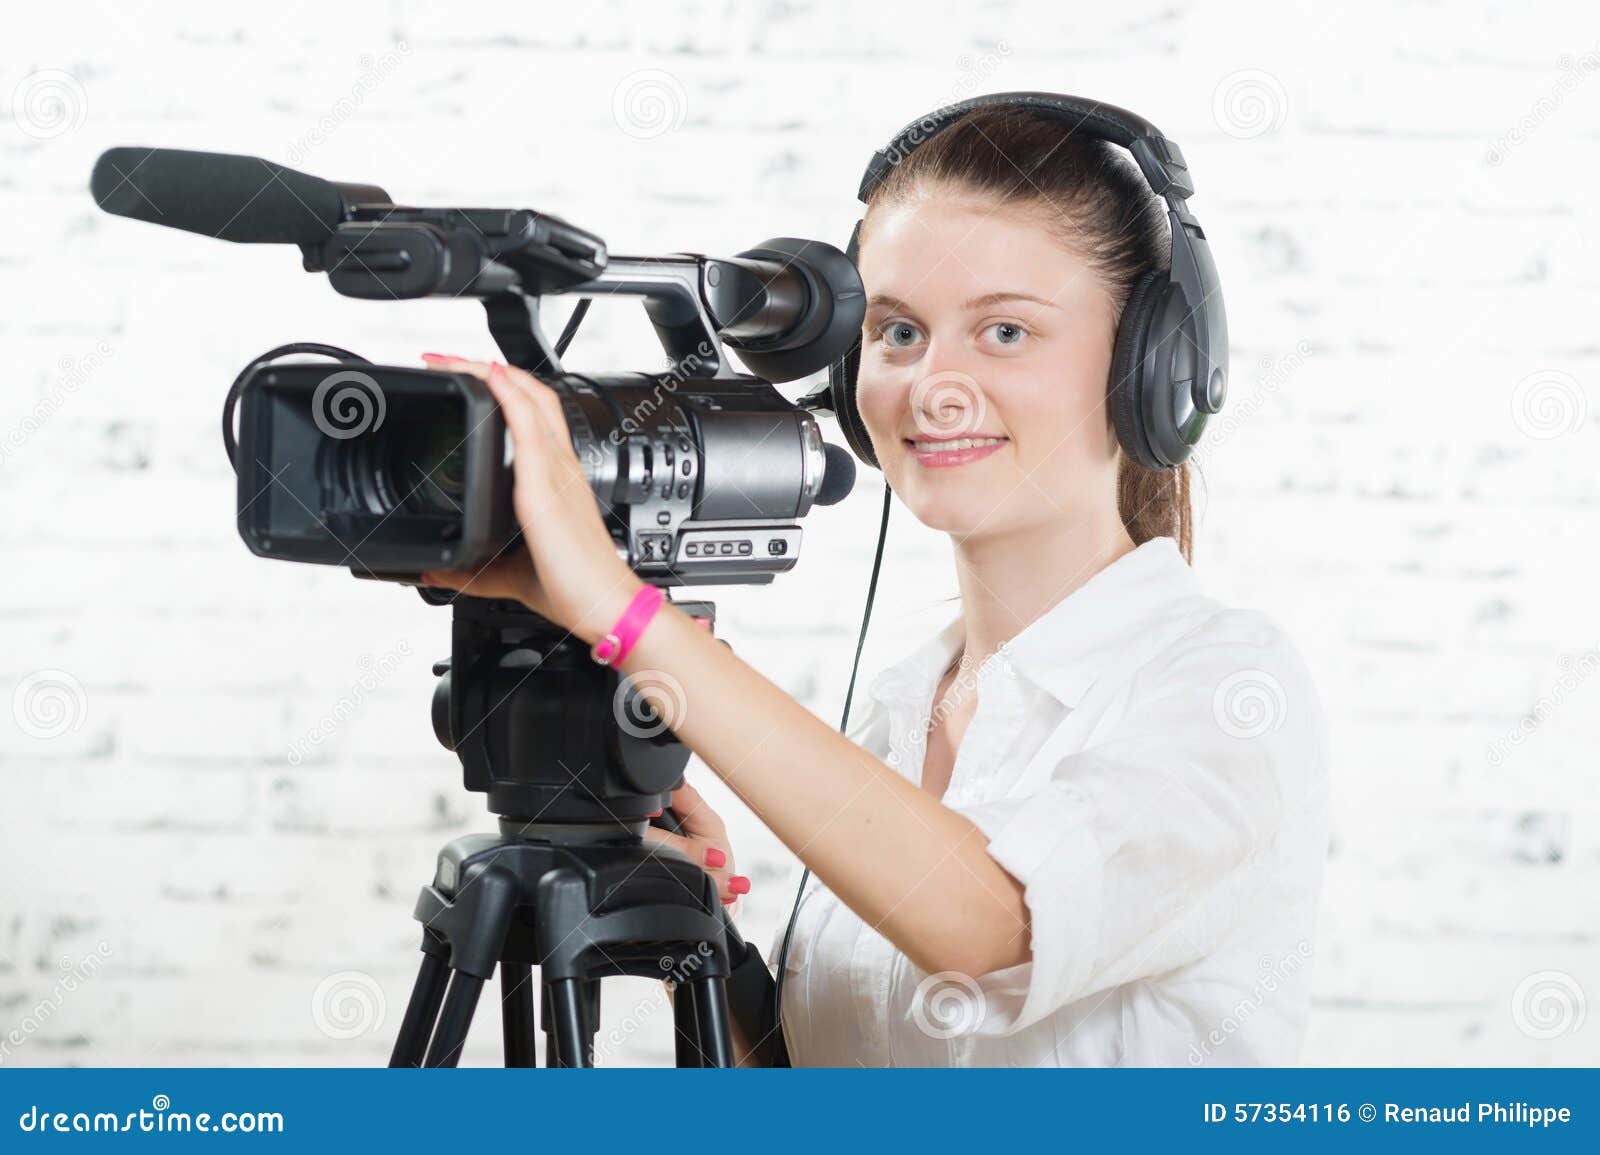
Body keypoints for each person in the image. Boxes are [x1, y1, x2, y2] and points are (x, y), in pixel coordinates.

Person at [414, 103, 1330, 1067]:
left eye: (1006, 331)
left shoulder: (1224, 689)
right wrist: (704, 942)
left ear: (1153, 365)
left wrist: (620, 609)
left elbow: (988, 929)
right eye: (897, 331)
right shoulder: (892, 724)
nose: (932, 385)